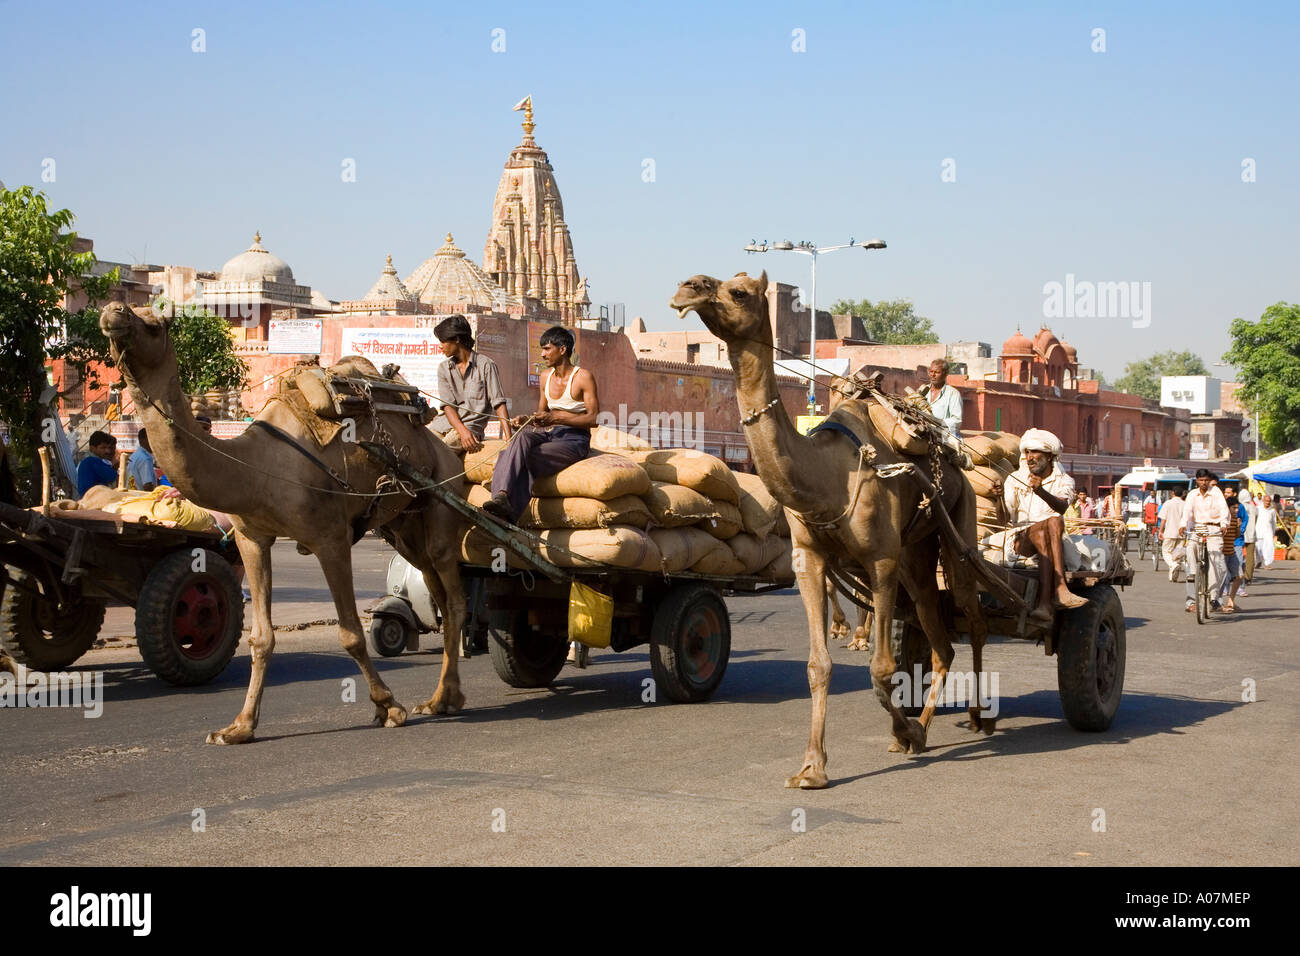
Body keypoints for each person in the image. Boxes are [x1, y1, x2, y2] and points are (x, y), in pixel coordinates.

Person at [481, 326, 599, 523]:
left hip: (574, 439)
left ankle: (509, 514)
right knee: (522, 438)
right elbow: (542, 414)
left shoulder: (583, 377)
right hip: (551, 434)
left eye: (547, 349)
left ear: (562, 349)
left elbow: (593, 419)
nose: (543, 354)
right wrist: (526, 419)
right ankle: (501, 497)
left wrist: (557, 418)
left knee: (518, 457)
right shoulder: (545, 378)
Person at [998, 428, 1088, 622]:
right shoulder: (1014, 480)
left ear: (1049, 456)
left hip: (1051, 538)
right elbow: (1006, 517)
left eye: (1035, 452)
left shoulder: (1064, 481)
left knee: (1053, 522)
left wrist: (1040, 491)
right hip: (1021, 541)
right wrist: (998, 499)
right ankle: (1060, 589)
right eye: (1027, 453)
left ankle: (1045, 605)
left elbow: (1062, 506)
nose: (1030, 457)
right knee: (1048, 526)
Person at [433, 314, 510, 454]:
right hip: (442, 425)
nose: (440, 346)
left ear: (456, 339)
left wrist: (509, 440)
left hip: (471, 428)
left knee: (440, 452)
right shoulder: (443, 368)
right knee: (419, 446)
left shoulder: (486, 365)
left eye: (443, 341)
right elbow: (448, 406)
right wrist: (461, 431)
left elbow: (499, 403)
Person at [1183, 468, 1230, 613]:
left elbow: (1224, 510)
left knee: (1216, 563)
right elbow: (1187, 512)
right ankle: (1192, 573)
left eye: (1206, 480)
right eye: (1201, 480)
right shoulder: (1192, 494)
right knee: (1190, 546)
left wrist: (1223, 525)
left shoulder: (1216, 492)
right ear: (1196, 480)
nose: (1204, 483)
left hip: (1214, 529)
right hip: (1198, 528)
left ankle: (1214, 598)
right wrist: (1182, 525)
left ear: (1209, 481)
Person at [1218, 485, 1247, 612]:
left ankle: (1231, 600)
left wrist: (1238, 527)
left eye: (1237, 508)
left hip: (1231, 552)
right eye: (1233, 508)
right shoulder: (1221, 520)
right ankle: (1217, 603)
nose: (1236, 510)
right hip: (1221, 553)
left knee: (1239, 576)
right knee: (1221, 578)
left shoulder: (1235, 519)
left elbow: (1236, 536)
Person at [921, 359, 963, 435]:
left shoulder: (953, 394)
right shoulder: (922, 390)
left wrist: (937, 421)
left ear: (945, 374)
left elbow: (957, 420)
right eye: (931, 372)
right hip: (923, 432)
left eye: (937, 372)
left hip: (944, 437)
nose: (933, 375)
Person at [1157, 486, 1187, 582]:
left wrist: (1160, 531)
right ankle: (1173, 576)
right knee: (1177, 554)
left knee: (1166, 552)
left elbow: (1163, 519)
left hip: (1170, 531)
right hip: (1182, 533)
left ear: (1172, 493)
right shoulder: (1185, 504)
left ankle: (1173, 565)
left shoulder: (1168, 503)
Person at [75, 431, 118, 497]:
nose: (107, 451)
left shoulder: (89, 460)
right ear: (92, 448)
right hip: (92, 500)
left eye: (107, 448)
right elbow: (112, 476)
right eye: (103, 448)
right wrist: (114, 464)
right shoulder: (92, 461)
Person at [126, 428, 157, 492]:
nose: (156, 442)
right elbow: (147, 485)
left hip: (131, 496)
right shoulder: (145, 458)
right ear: (144, 440)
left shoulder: (135, 455)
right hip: (141, 498)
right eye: (153, 439)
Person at [1253, 495, 1278, 573]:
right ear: (1263, 501)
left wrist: (1274, 532)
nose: (1267, 502)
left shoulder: (1272, 510)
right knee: (1258, 547)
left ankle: (1268, 563)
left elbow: (1274, 522)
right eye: (1266, 501)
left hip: (1268, 531)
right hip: (1258, 530)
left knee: (1268, 547)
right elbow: (1254, 519)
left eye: (1269, 501)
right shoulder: (1258, 508)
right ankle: (1258, 561)